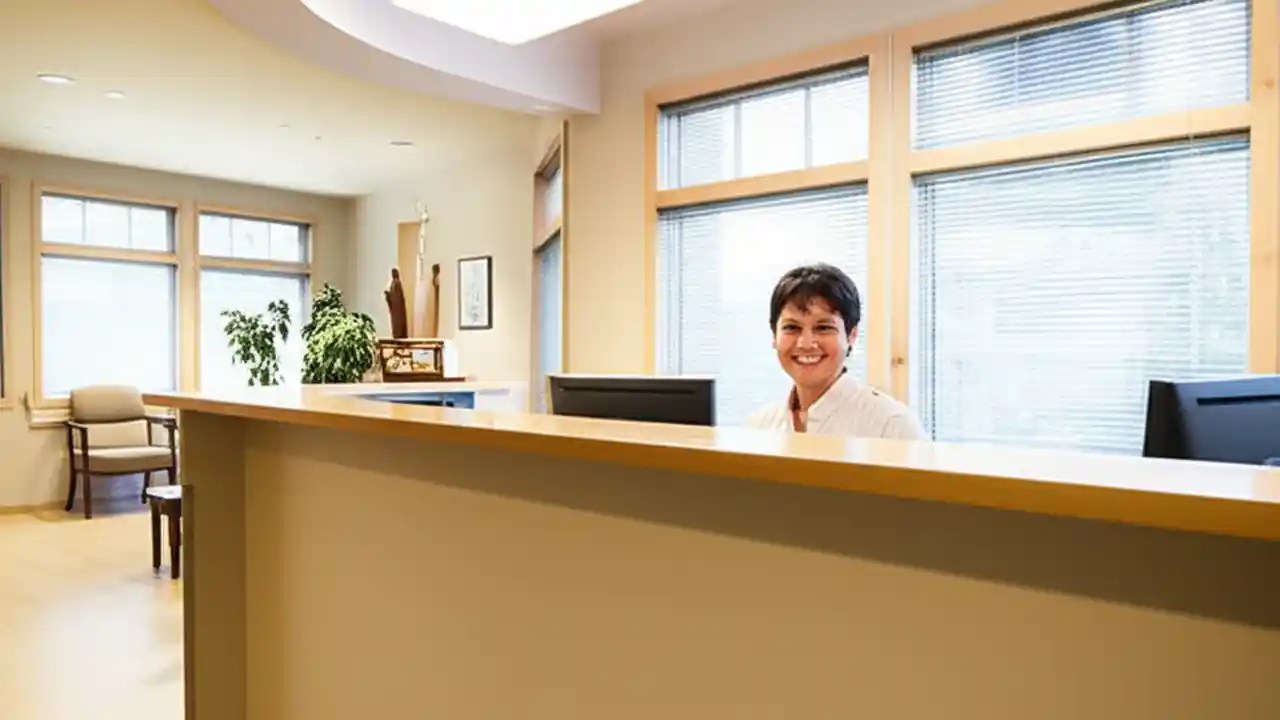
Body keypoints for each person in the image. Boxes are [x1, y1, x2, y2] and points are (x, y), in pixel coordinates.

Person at [745, 263, 927, 440]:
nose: (806, 344)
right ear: (774, 335)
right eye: (792, 327)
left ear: (851, 336)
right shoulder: (759, 427)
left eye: (823, 328)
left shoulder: (891, 426)